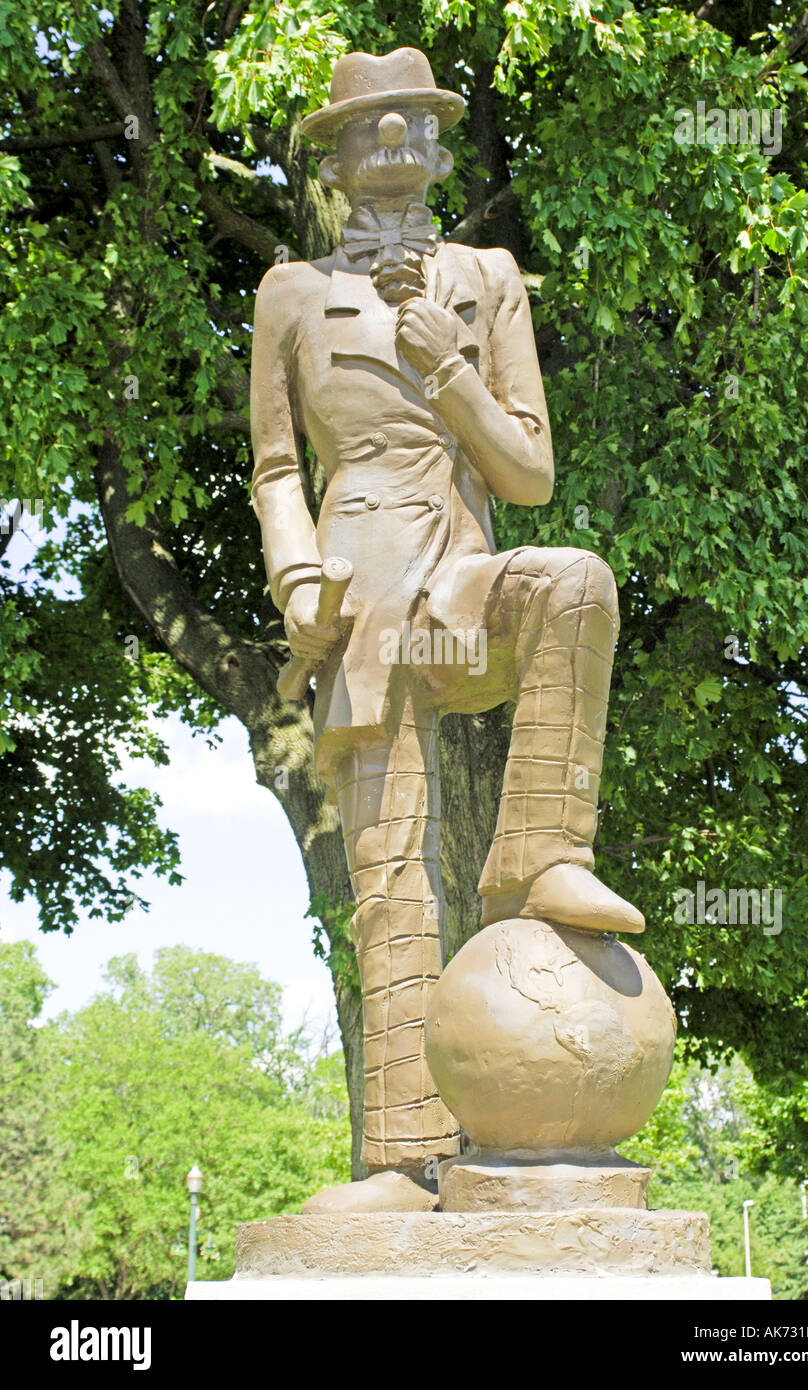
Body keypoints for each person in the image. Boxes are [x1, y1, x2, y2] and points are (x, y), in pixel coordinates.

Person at [250, 47, 644, 1211]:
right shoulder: (287, 294)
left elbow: (527, 473)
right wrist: (294, 576)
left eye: (412, 125)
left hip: (460, 583)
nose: (393, 147)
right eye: (367, 129)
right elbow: (276, 469)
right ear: (332, 154)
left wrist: (452, 369)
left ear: (434, 142)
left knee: (574, 579)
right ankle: (400, 1159)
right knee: (387, 881)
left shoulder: (489, 278)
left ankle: (536, 851)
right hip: (359, 590)